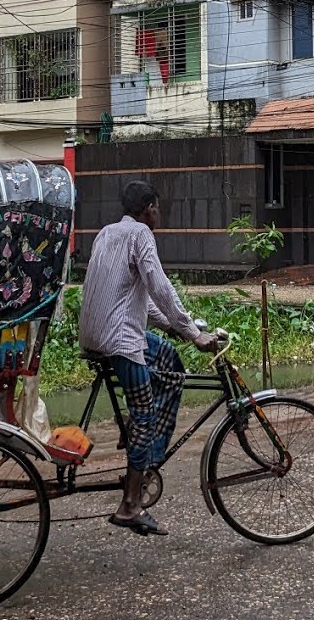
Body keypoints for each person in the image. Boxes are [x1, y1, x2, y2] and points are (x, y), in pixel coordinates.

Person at [78, 180, 218, 536]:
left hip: (99, 333)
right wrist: (193, 332)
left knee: (170, 360)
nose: (159, 213)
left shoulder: (107, 233)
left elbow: (133, 297)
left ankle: (147, 451)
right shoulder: (141, 234)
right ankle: (130, 504)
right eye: (158, 207)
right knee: (145, 414)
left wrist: (174, 328)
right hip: (121, 341)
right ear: (149, 207)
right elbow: (159, 285)